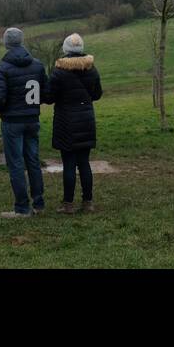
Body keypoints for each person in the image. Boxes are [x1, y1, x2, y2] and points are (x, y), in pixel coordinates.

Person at [0, 27, 48, 219]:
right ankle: (39, 203)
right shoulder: (38, 65)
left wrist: (2, 112)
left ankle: (22, 208)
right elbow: (46, 94)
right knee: (33, 161)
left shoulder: (3, 68)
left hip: (12, 122)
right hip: (32, 119)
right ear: (22, 41)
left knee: (15, 164)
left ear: (7, 43)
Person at [47, 33, 103, 214]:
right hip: (86, 119)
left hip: (66, 121)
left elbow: (49, 97)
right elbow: (97, 94)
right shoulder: (91, 69)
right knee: (84, 163)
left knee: (69, 163)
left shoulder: (59, 71)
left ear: (65, 49)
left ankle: (68, 204)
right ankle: (88, 202)